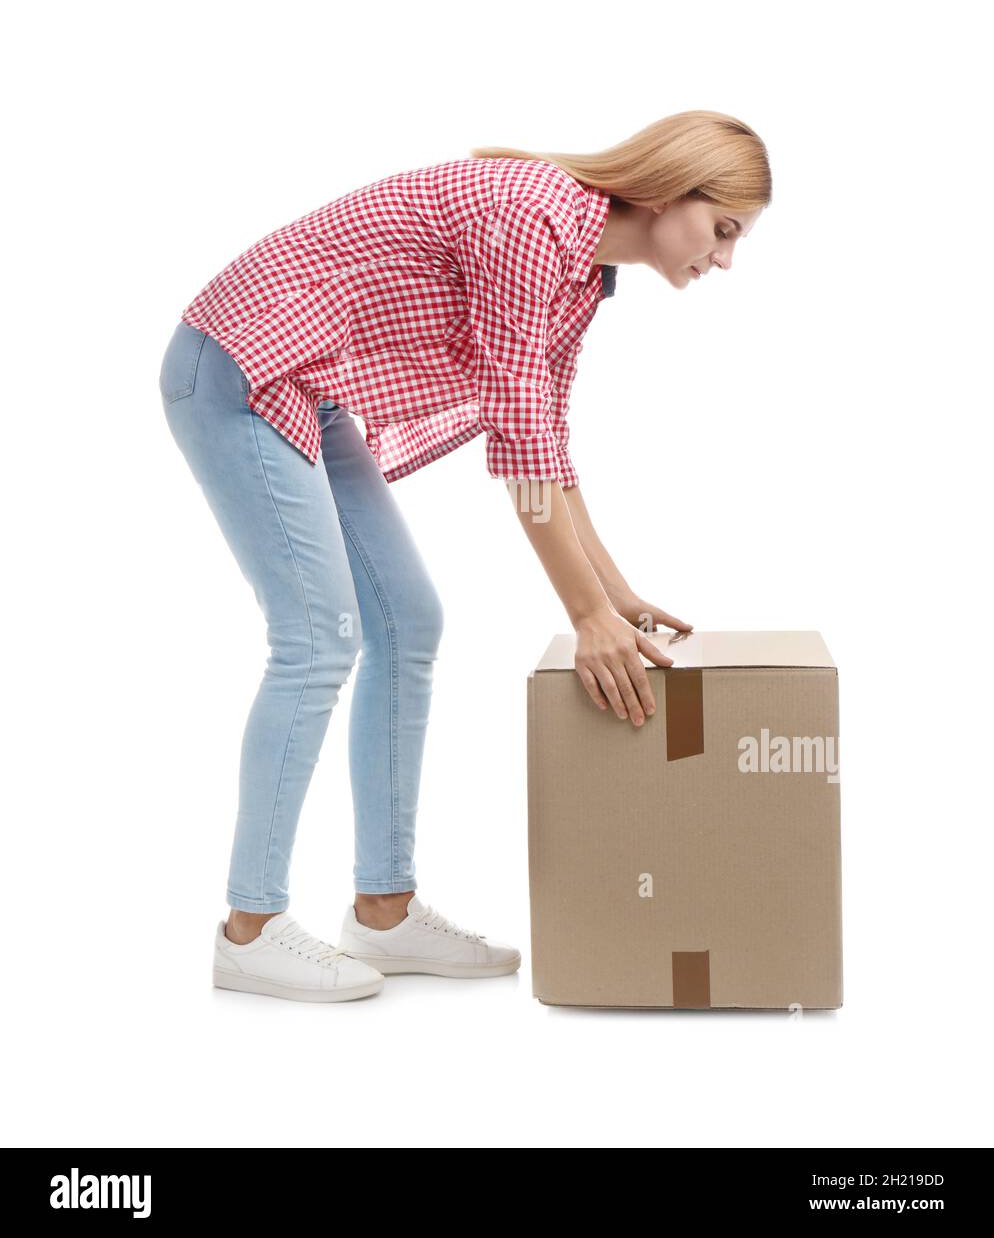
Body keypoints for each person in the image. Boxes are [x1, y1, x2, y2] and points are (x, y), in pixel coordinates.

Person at [157, 109, 770, 1004]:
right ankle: (249, 931)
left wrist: (615, 593)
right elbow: (520, 441)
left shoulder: (584, 271)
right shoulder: (533, 218)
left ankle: (384, 910)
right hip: (240, 370)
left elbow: (543, 438)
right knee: (318, 636)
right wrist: (585, 616)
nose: (724, 259)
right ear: (673, 189)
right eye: (723, 230)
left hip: (309, 390)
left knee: (409, 621)